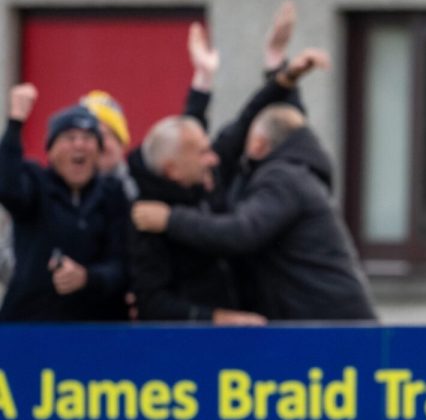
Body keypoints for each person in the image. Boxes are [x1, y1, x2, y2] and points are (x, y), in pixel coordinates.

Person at [132, 97, 377, 322]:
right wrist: (281, 78)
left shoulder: (282, 179)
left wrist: (171, 220)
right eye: (204, 152)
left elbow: (241, 232)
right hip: (323, 319)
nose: (215, 159)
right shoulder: (291, 172)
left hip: (330, 325)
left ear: (259, 144)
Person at [128, 22, 288, 325]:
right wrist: (217, 318)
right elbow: (152, 303)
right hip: (189, 355)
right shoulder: (145, 217)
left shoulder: (205, 177)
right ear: (172, 171)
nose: (213, 157)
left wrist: (282, 72)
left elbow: (245, 120)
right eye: (202, 153)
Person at [1, 84, 129, 322]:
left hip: (96, 329)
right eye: (69, 137)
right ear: (50, 151)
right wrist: (15, 122)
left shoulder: (113, 194)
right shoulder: (35, 183)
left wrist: (88, 278)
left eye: (88, 138)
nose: (79, 145)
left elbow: (122, 265)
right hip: (32, 323)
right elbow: (8, 189)